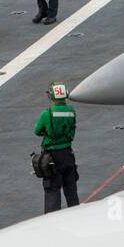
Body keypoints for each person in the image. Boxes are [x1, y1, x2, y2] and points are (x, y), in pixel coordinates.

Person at [34, 82, 79, 213]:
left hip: (51, 157)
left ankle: (51, 221)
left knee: (52, 189)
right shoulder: (71, 111)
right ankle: (77, 215)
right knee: (71, 188)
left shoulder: (46, 114)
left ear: (52, 96)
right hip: (68, 154)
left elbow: (37, 131)